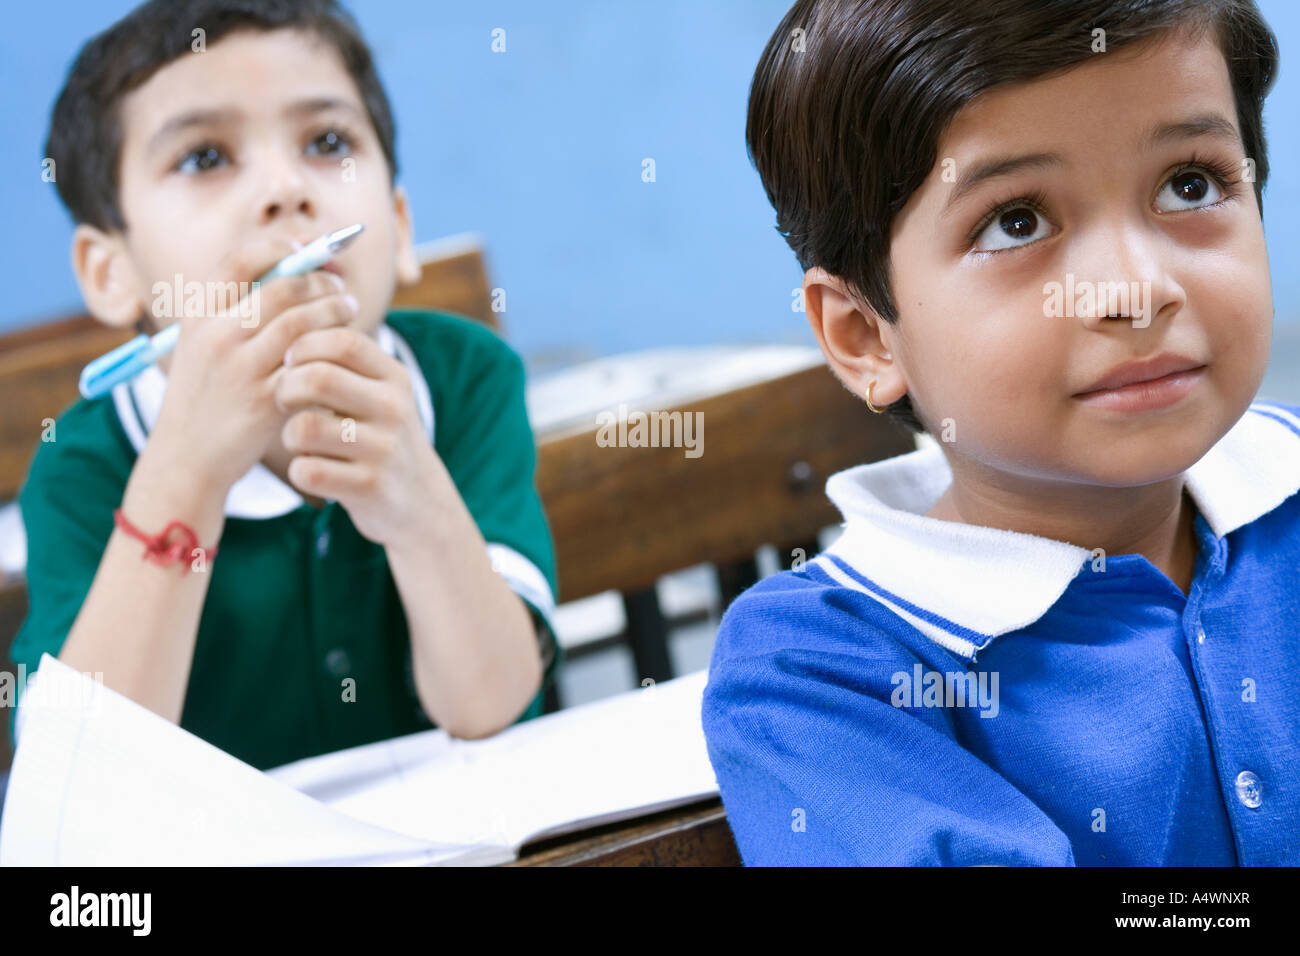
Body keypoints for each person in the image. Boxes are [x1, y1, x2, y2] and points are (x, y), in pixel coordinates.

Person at [703, 0, 1298, 864]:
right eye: (1015, 221)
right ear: (866, 335)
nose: (1136, 287)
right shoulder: (819, 672)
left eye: (1190, 183)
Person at [11, 0, 558, 771]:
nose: (285, 190)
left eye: (326, 142)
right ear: (112, 272)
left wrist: (416, 501)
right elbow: (87, 775)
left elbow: (492, 704)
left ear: (398, 230)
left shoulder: (462, 381)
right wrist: (187, 471)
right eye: (205, 156)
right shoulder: (80, 465)